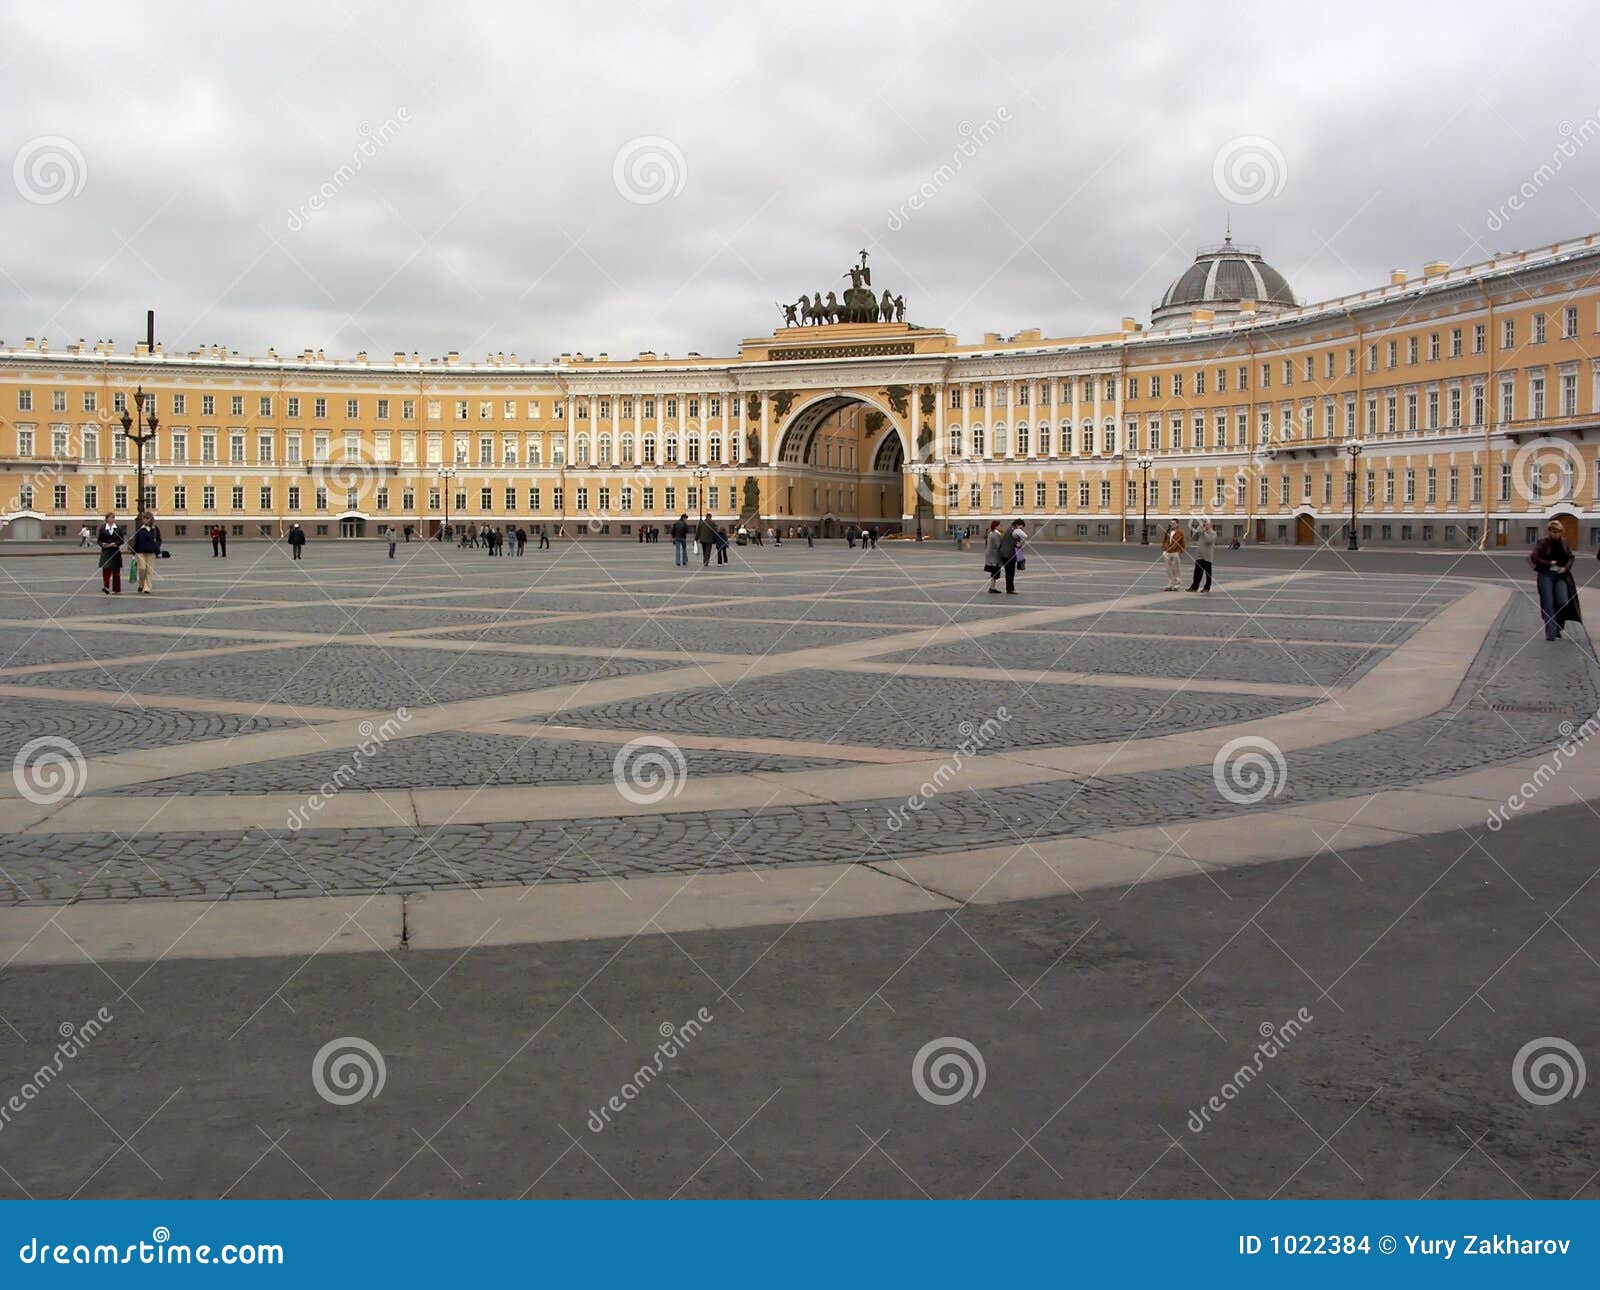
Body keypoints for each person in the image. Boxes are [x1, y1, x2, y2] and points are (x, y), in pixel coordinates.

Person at [1531, 520, 1581, 641]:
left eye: (1558, 532)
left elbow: (1570, 557)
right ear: (1549, 531)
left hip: (1561, 576)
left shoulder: (1563, 542)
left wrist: (1565, 568)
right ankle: (1551, 633)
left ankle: (1558, 626)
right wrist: (1548, 563)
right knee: (1548, 603)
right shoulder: (1543, 542)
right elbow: (1534, 556)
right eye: (1553, 532)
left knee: (1563, 601)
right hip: (1546, 575)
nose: (1556, 534)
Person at [131, 510, 162, 593]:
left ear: (151, 519)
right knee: (142, 568)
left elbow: (159, 540)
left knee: (149, 570)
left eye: (146, 518)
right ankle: (141, 584)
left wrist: (157, 549)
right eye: (144, 519)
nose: (145, 520)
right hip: (140, 552)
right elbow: (136, 541)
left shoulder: (155, 529)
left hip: (151, 552)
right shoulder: (140, 529)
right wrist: (133, 553)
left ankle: (147, 587)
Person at [95, 512, 124, 594]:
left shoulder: (118, 528)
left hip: (115, 551)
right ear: (107, 519)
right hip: (106, 551)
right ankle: (106, 587)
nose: (112, 519)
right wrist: (103, 545)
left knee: (116, 571)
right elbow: (99, 540)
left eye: (113, 518)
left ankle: (117, 589)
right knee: (106, 569)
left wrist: (115, 544)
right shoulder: (103, 528)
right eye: (111, 517)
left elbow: (121, 540)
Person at [1187, 520, 1216, 593]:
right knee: (1197, 573)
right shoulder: (1201, 532)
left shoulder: (1213, 533)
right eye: (1205, 524)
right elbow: (1194, 538)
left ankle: (1207, 587)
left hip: (1207, 557)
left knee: (1208, 573)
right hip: (1199, 555)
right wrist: (1197, 530)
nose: (1205, 526)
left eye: (1207, 524)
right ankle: (1194, 586)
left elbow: (1208, 541)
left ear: (1210, 525)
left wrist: (1204, 532)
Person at [1160, 519, 1186, 591]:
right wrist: (1164, 548)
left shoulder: (1180, 533)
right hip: (1167, 552)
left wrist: (1180, 552)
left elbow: (1183, 543)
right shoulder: (1168, 531)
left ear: (1177, 524)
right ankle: (1170, 584)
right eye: (1171, 523)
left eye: (1174, 523)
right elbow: (1165, 540)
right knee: (1167, 569)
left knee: (1176, 569)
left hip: (1175, 552)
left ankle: (1177, 585)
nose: (1172, 525)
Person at [983, 519, 1004, 594]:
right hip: (994, 556)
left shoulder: (992, 533)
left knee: (994, 573)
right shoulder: (995, 534)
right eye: (999, 525)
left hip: (991, 555)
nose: (1001, 526)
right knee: (995, 572)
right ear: (995, 526)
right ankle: (992, 588)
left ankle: (992, 587)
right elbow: (998, 545)